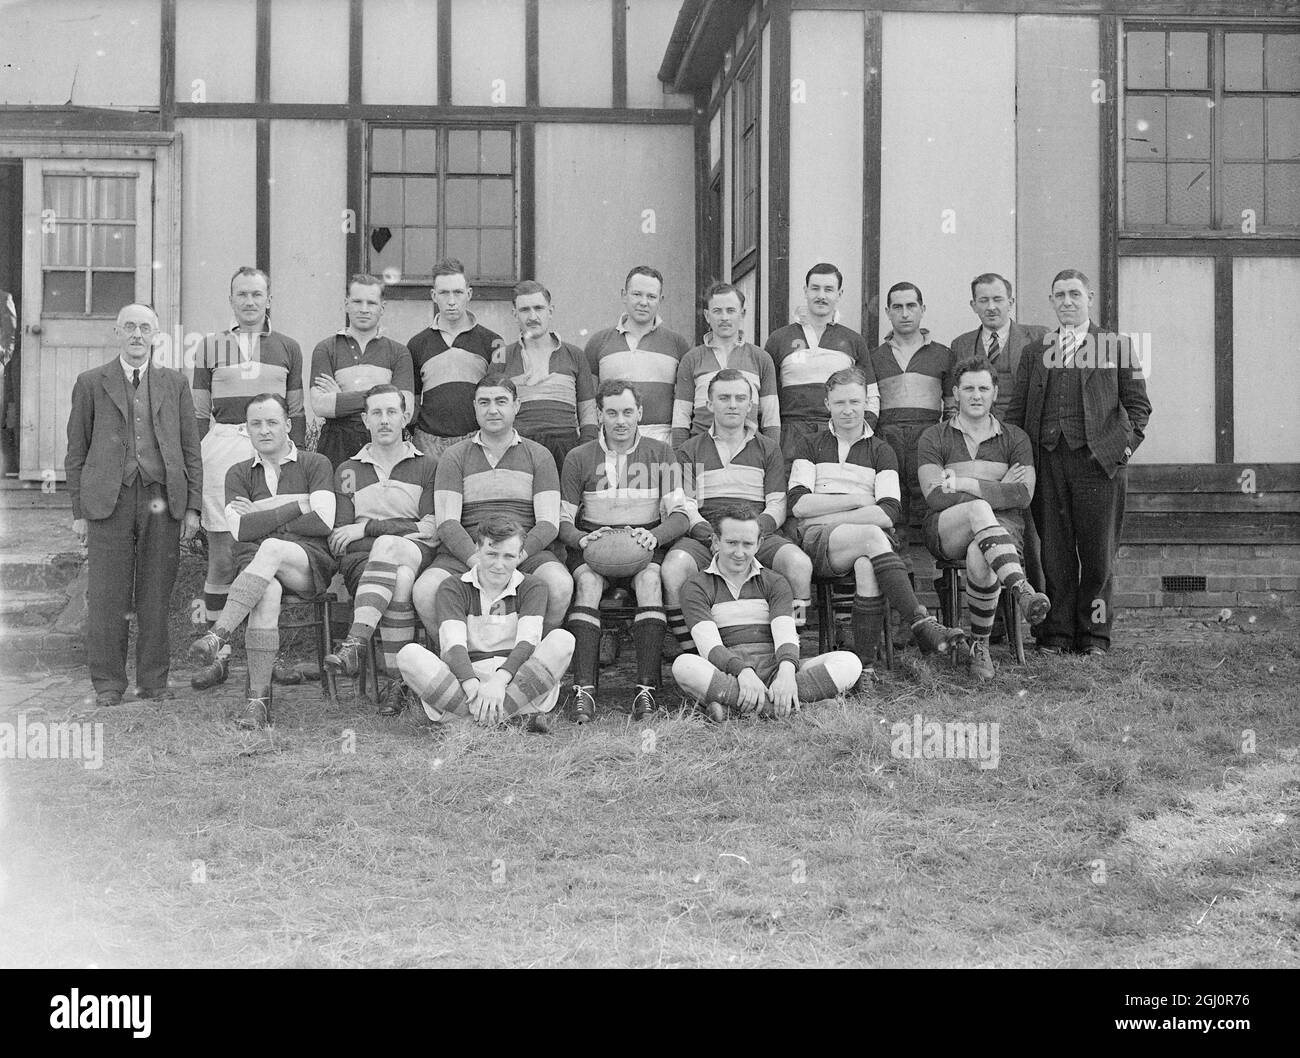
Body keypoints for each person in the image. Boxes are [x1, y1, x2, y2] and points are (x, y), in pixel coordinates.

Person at [787, 368, 969, 680]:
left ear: (865, 404)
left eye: (855, 402)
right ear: (827, 403)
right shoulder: (810, 444)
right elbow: (800, 505)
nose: (848, 409)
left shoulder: (882, 450)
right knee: (873, 536)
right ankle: (920, 622)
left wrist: (827, 511)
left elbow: (888, 512)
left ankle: (865, 667)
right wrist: (858, 501)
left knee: (868, 565)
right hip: (818, 543)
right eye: (840, 402)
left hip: (860, 541)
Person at [1007, 269, 1151, 655]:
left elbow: (1139, 409)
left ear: (1089, 297)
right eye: (1059, 295)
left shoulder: (1116, 346)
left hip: (1098, 467)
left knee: (1098, 556)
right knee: (1053, 553)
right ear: (1051, 301)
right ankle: (1057, 634)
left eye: (1074, 294)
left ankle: (1095, 636)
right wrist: (1019, 461)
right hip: (1049, 463)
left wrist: (1119, 453)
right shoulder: (1036, 351)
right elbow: (1017, 413)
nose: (1067, 301)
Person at [66, 304, 202, 706]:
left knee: (155, 593)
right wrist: (79, 511)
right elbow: (77, 451)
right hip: (109, 499)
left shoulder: (174, 383)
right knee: (108, 595)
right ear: (116, 333)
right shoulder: (91, 382)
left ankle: (153, 682)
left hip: (162, 497)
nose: (137, 334)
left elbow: (190, 449)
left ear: (156, 336)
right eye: (129, 327)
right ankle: (108, 684)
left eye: (145, 328)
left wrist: (192, 506)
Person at [188, 393, 337, 728]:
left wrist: (262, 513)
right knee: (266, 592)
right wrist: (298, 504)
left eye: (272, 422)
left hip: (306, 562)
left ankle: (219, 633)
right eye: (256, 424)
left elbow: (324, 521)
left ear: (287, 425)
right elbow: (240, 529)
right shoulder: (238, 474)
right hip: (255, 564)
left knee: (270, 545)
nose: (264, 430)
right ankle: (258, 702)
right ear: (247, 430)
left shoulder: (315, 464)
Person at [190, 266, 306, 691]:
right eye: (242, 294)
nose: (250, 301)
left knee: (266, 552)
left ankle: (268, 655)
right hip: (222, 449)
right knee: (222, 553)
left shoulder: (288, 347)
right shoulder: (209, 347)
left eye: (258, 294)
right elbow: (199, 415)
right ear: (232, 300)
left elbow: (295, 413)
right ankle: (218, 656)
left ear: (269, 298)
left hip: (272, 450)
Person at [560, 380, 688, 722]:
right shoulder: (579, 457)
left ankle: (647, 690)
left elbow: (681, 514)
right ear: (599, 414)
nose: (620, 420)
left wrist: (655, 537)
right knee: (587, 584)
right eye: (612, 412)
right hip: (594, 547)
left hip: (643, 547)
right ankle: (584, 690)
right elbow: (562, 520)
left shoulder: (660, 453)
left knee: (651, 580)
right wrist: (579, 540)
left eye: (628, 412)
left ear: (640, 414)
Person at [917, 356, 1052, 679]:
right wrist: (994, 489)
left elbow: (1023, 495)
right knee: (980, 510)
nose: (975, 395)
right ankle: (1020, 588)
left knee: (982, 552)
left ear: (994, 392)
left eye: (982, 388)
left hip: (1001, 535)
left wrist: (962, 484)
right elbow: (936, 495)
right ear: (955, 394)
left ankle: (980, 647)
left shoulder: (1015, 438)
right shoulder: (934, 437)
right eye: (968, 389)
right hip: (948, 529)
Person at [412, 371, 573, 639]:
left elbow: (548, 524)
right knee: (425, 590)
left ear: (516, 406)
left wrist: (512, 558)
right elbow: (448, 523)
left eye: (501, 401)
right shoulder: (454, 456)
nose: (493, 410)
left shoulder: (539, 455)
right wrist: (479, 561)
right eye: (484, 402)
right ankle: (456, 663)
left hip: (524, 552)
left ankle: (532, 660)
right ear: (474, 407)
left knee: (560, 584)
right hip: (467, 552)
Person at [662, 369, 812, 655]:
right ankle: (691, 649)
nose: (732, 404)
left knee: (799, 564)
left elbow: (778, 503)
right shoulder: (689, 450)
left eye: (740, 398)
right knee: (673, 567)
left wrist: (753, 534)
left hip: (757, 534)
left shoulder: (768, 448)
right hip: (706, 535)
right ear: (709, 404)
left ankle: (791, 642)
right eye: (724, 397)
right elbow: (685, 504)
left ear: (750, 405)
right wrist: (712, 534)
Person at [672, 506, 862, 722]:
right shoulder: (697, 585)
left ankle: (738, 709)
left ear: (759, 544)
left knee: (849, 662)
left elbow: (786, 633)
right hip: (730, 672)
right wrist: (743, 672)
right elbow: (710, 647)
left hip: (775, 666)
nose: (739, 552)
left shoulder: (774, 581)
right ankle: (794, 708)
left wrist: (787, 672)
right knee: (684, 665)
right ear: (716, 542)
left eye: (747, 544)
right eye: (731, 543)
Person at [397, 516, 575, 735]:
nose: (499, 565)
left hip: (519, 684)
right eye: (491, 554)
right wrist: (472, 686)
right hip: (465, 687)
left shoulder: (532, 586)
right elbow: (452, 646)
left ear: (520, 556)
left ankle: (472, 722)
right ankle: (508, 720)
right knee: (408, 655)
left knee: (564, 640)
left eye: (508, 556)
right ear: (477, 549)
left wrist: (499, 682)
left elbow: (528, 643)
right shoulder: (453, 586)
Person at [322, 385, 438, 716]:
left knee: (391, 549)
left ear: (406, 416)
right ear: (364, 420)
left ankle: (355, 643)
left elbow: (429, 529)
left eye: (391, 412)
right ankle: (398, 685)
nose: (384, 420)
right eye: (376, 413)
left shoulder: (428, 466)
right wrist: (399, 528)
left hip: (418, 554)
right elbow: (342, 539)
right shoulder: (347, 470)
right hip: (364, 565)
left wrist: (369, 527)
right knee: (399, 578)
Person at [949, 271, 1048, 607]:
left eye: (998, 299)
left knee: (1029, 532)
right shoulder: (961, 344)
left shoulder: (1039, 338)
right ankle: (995, 624)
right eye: (983, 301)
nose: (991, 307)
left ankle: (1033, 615)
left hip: (1023, 444)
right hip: (977, 447)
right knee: (985, 523)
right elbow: (954, 402)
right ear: (973, 305)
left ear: (1011, 302)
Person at [869, 283, 957, 571]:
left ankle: (932, 587)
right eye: (897, 307)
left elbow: (952, 409)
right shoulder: (874, 356)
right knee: (894, 512)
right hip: (888, 441)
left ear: (923, 309)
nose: (905, 313)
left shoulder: (943, 354)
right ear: (887, 312)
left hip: (928, 440)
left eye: (911, 306)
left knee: (930, 509)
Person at [764, 262, 878, 468]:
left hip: (837, 433)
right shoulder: (779, 338)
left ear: (839, 293)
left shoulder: (853, 340)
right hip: (791, 434)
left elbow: (871, 396)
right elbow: (768, 399)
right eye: (815, 288)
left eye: (829, 289)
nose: (821, 296)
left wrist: (856, 434)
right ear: (805, 291)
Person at [309, 274, 414, 469]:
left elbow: (405, 408)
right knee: (340, 497)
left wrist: (341, 398)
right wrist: (383, 395)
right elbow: (320, 405)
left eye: (371, 303)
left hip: (383, 441)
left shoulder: (399, 352)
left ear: (382, 307)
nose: (364, 309)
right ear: (346, 303)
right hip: (337, 442)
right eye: (357, 302)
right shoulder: (326, 348)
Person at [406, 257, 504, 461]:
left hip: (475, 442)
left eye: (458, 292)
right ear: (434, 295)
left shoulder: (492, 342)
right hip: (428, 444)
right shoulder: (417, 344)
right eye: (444, 293)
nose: (451, 301)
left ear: (469, 294)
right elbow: (412, 405)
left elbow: (497, 400)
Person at [494, 279, 596, 472]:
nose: (533, 316)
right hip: (519, 449)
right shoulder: (502, 358)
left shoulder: (574, 355)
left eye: (539, 308)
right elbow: (494, 413)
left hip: (566, 448)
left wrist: (585, 453)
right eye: (525, 310)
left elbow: (588, 413)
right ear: (515, 315)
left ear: (550, 311)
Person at [583, 266, 691, 446]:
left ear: (660, 300)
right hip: (611, 440)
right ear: (624, 295)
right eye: (637, 294)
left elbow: (684, 407)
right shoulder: (598, 343)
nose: (643, 302)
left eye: (651, 296)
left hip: (661, 440)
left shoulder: (677, 344)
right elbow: (588, 405)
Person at [672, 282, 780, 448]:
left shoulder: (761, 358)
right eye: (717, 311)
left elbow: (770, 418)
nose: (724, 318)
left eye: (730, 310)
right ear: (707, 316)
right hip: (702, 451)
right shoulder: (691, 359)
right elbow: (681, 417)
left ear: (742, 314)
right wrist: (680, 460)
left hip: (749, 452)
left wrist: (771, 457)